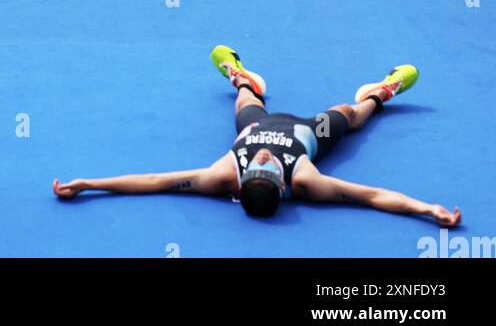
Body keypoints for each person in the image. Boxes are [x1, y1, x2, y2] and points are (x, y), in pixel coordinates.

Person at [53, 45, 461, 228]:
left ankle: (241, 77)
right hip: (308, 130)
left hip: (257, 121)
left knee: (245, 100)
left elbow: (155, 181)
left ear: (240, 181)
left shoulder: (222, 175)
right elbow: (371, 196)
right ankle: (382, 91)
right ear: (283, 183)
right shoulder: (306, 180)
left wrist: (91, 183)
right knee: (349, 115)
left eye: (257, 165)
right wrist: (428, 210)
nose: (263, 156)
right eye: (266, 165)